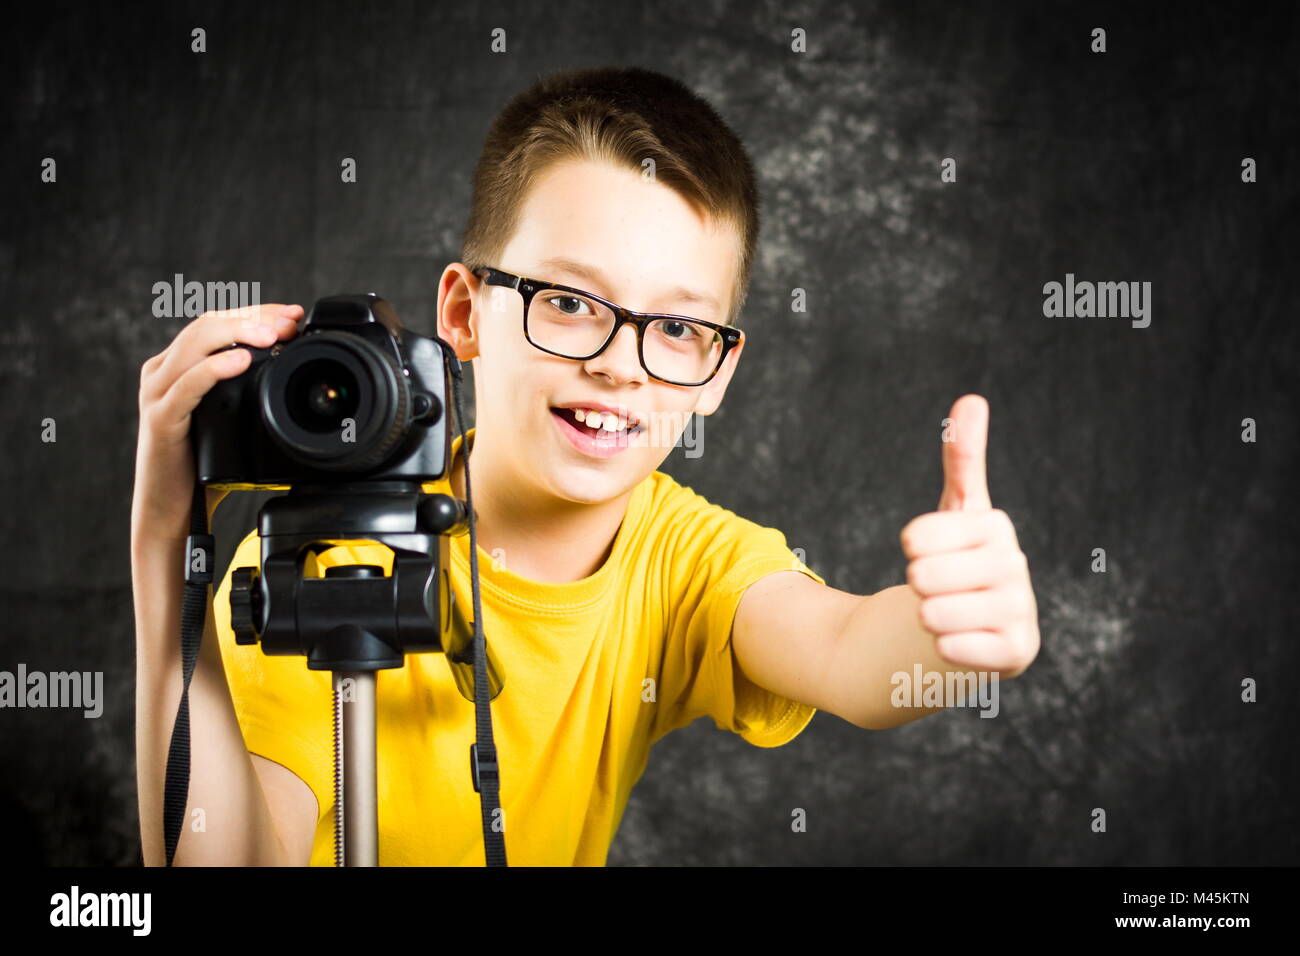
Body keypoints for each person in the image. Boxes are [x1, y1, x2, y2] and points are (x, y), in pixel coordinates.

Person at [132, 65, 1040, 867]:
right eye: (568, 302)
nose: (620, 362)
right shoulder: (329, 552)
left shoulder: (683, 563)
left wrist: (946, 636)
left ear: (717, 371)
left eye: (678, 328)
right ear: (464, 313)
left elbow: (847, 652)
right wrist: (163, 547)